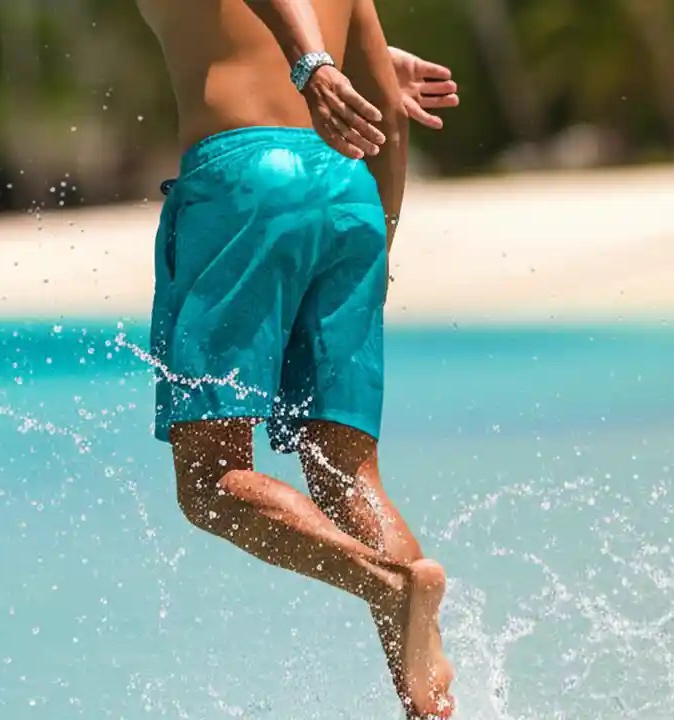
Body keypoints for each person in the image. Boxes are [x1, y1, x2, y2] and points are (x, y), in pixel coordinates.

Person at [136, 0, 458, 716]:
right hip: (351, 192)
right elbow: (389, 120)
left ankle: (390, 584)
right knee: (346, 474)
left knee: (214, 482)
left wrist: (310, 65)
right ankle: (430, 704)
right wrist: (379, 244)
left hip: (243, 185)